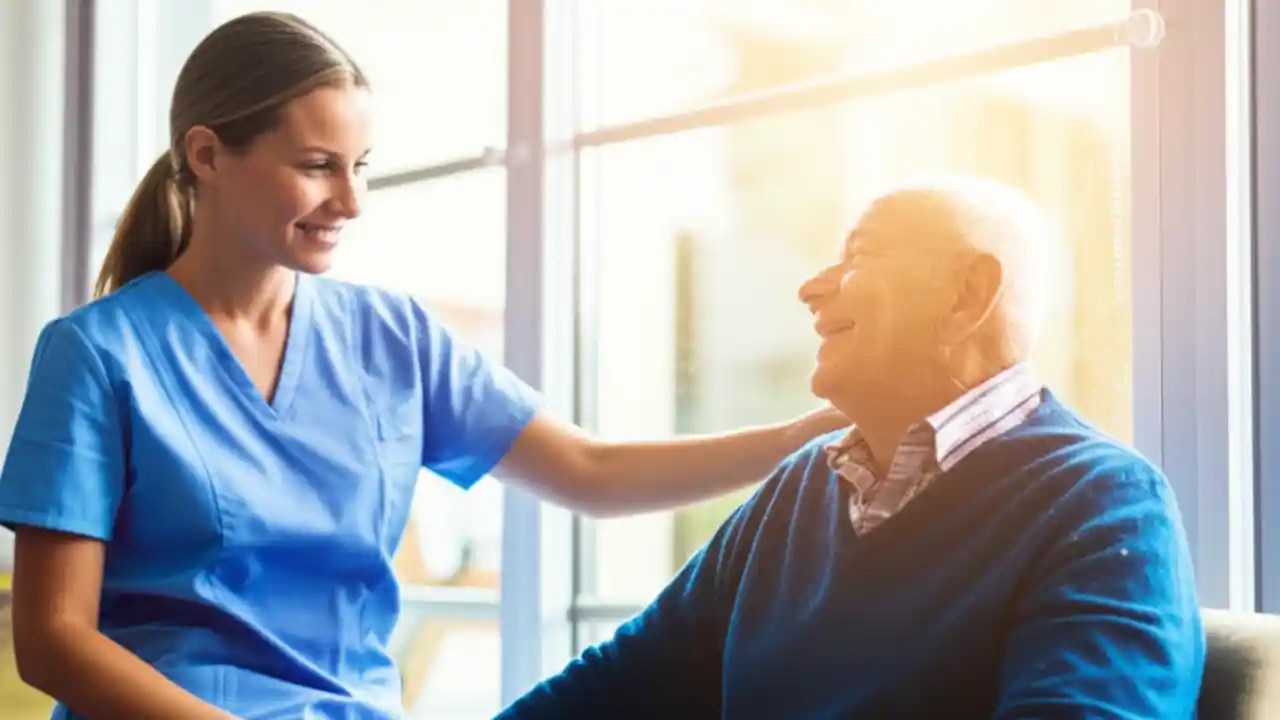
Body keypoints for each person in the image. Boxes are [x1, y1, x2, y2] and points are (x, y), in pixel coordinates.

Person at [0, 12, 847, 720]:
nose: (353, 200)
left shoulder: (390, 336)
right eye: (316, 166)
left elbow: (588, 470)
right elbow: (53, 638)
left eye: (359, 166)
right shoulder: (97, 354)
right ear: (209, 156)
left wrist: (797, 437)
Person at [501, 175, 1206, 719]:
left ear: (968, 295)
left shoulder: (1106, 506)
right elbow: (614, 692)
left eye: (858, 257)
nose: (811, 289)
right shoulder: (800, 485)